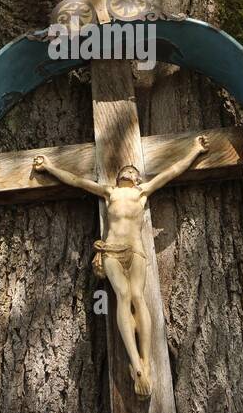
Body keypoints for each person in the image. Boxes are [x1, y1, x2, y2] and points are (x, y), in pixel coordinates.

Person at [33, 134, 209, 398]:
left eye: (133, 171)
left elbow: (172, 171)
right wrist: (48, 167)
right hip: (111, 250)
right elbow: (77, 181)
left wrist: (194, 150)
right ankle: (135, 361)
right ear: (117, 178)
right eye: (124, 170)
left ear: (138, 179)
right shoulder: (109, 192)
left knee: (138, 297)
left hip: (135, 250)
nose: (128, 171)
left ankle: (146, 361)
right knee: (123, 297)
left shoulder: (143, 192)